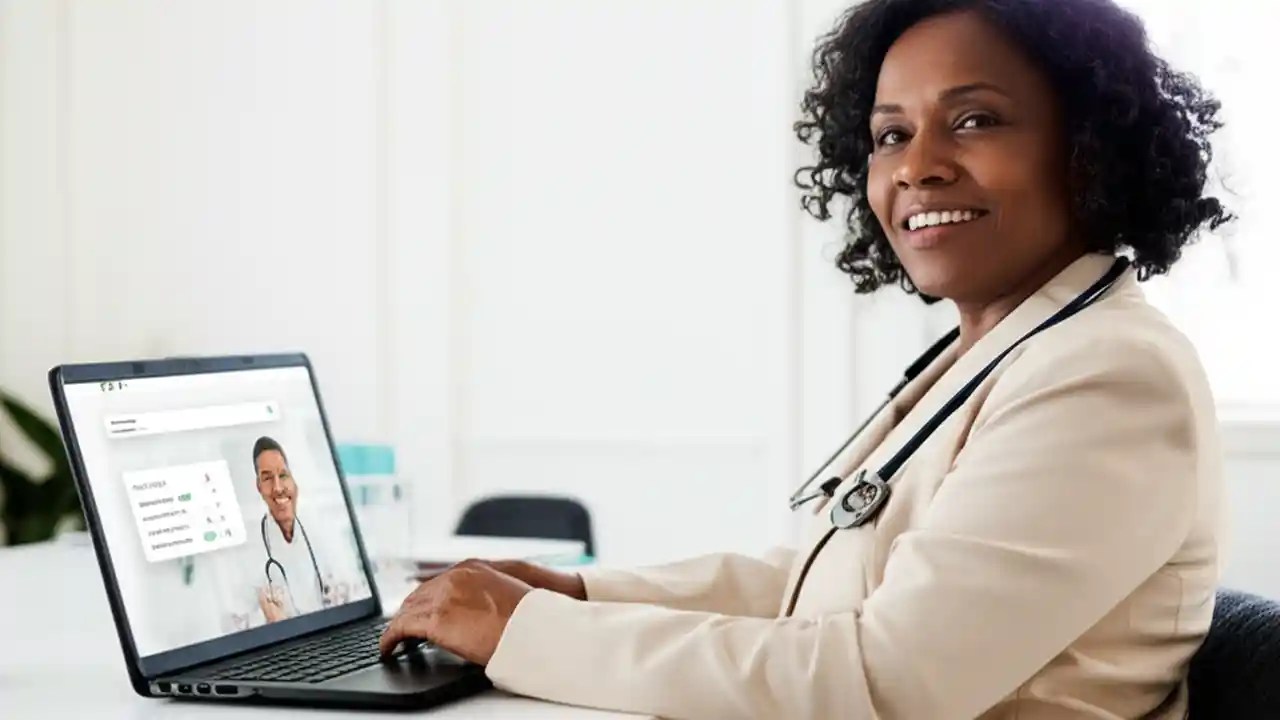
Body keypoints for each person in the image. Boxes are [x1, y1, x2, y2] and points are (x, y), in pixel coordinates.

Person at [379, 1, 1231, 717]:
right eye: (890, 134)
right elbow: (827, 583)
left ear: (1089, 148)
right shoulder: (1009, 350)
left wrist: (526, 633)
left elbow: (885, 679)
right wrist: (581, 597)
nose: (918, 167)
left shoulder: (1107, 377)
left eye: (974, 120)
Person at [253, 436, 333, 623]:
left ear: (294, 480)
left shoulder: (321, 532)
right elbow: (237, 621)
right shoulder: (250, 551)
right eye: (267, 478)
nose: (278, 488)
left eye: (283, 475)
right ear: (258, 487)